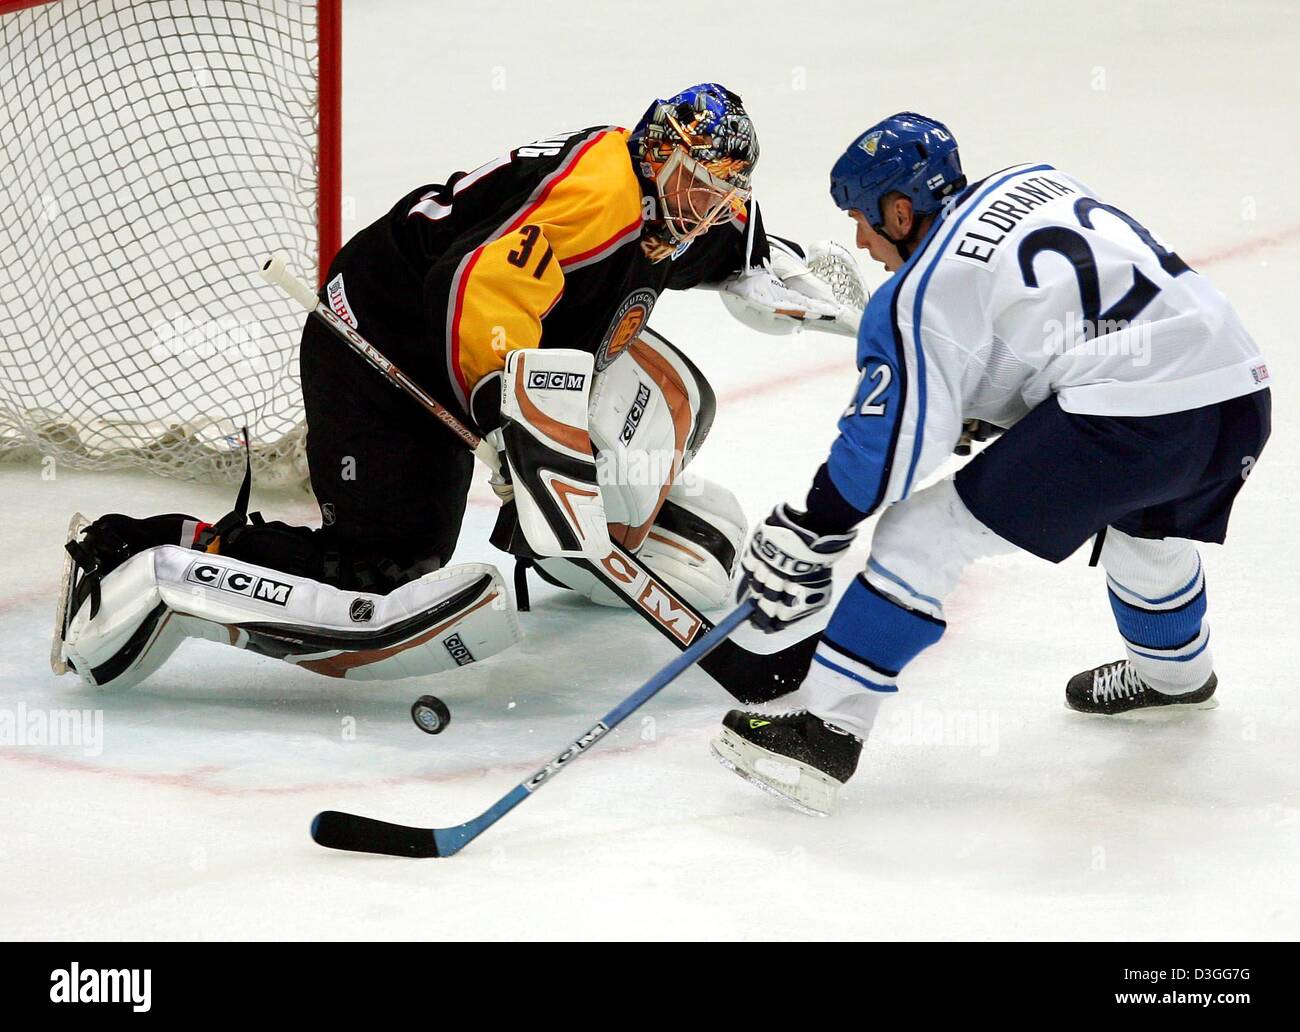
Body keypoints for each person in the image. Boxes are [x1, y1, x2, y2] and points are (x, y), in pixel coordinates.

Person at [55, 84, 862, 691]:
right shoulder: (603, 196)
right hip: (379, 346)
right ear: (658, 158)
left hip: (457, 351)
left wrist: (839, 308)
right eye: (699, 186)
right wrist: (519, 433)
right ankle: (146, 560)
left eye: (722, 193)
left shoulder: (670, 210)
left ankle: (577, 539)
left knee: (640, 401)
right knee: (384, 573)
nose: (708, 209)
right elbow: (482, 291)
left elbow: (748, 251)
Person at [713, 112, 1273, 816]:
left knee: (921, 535)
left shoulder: (917, 295)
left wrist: (814, 523)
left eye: (861, 218)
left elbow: (883, 453)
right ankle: (1176, 675)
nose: (860, 240)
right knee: (1143, 527)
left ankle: (823, 733)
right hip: (1238, 390)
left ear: (898, 207)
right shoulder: (1035, 180)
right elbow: (1059, 323)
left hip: (1134, 419)